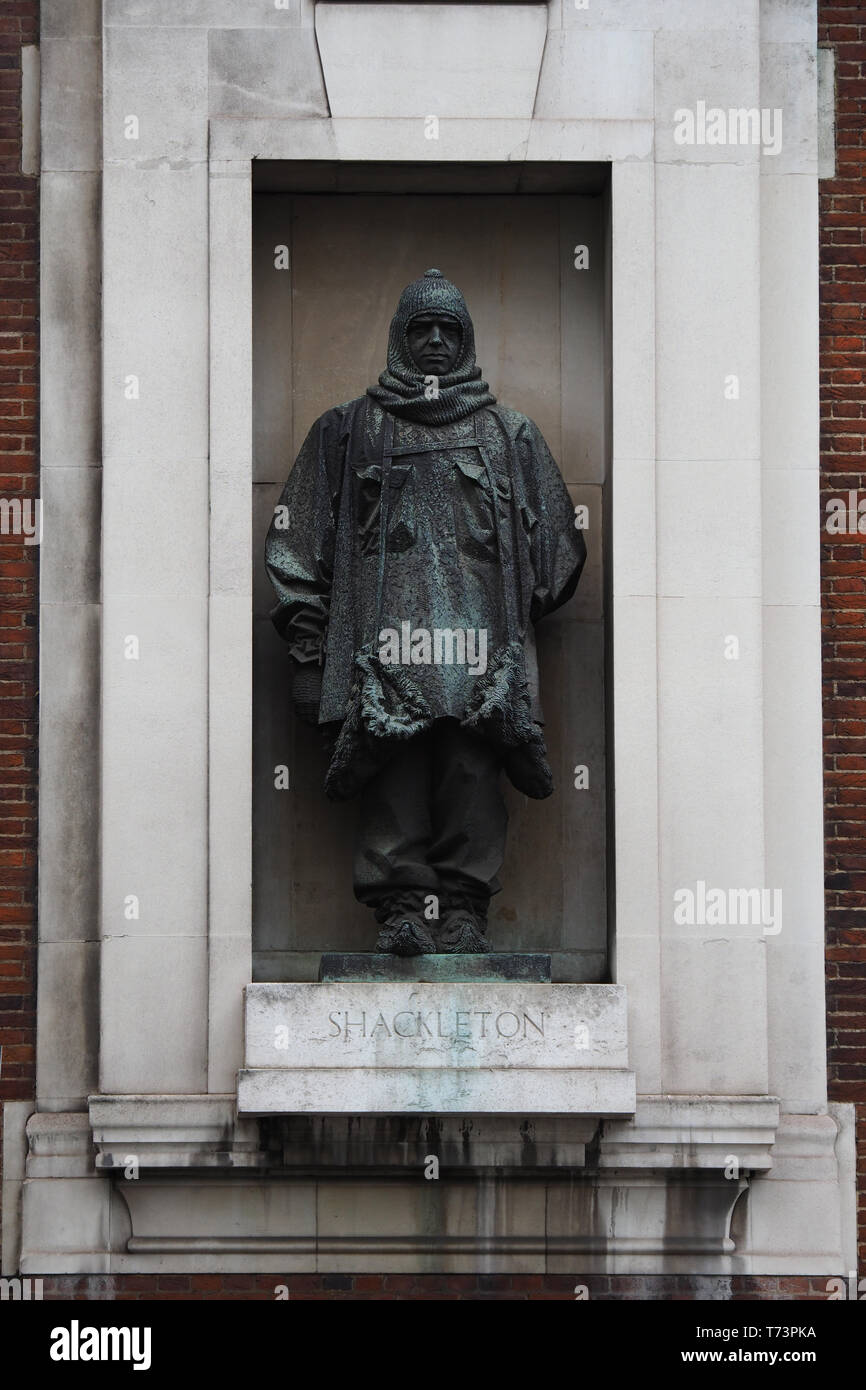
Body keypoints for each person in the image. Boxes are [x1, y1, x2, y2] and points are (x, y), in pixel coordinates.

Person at [265, 269, 585, 955]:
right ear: (399, 340)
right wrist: (307, 649)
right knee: (395, 779)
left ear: (465, 342)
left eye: (449, 330)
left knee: (472, 776)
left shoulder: (509, 435)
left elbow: (559, 544)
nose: (436, 341)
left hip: (479, 660)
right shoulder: (349, 433)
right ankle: (402, 910)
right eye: (422, 329)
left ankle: (465, 912)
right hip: (383, 657)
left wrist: (514, 610)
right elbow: (298, 545)